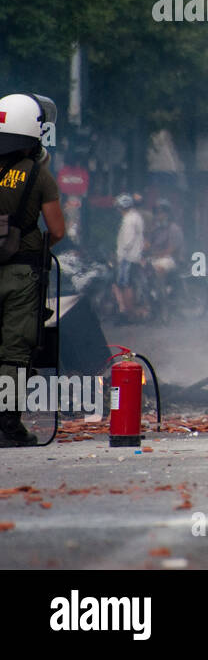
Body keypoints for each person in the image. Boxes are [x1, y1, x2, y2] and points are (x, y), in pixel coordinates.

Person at [0, 94, 65, 446]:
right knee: (14, 351)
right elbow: (56, 231)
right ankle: (7, 425)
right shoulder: (38, 176)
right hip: (21, 275)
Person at [112, 193, 145, 321]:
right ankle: (130, 312)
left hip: (127, 258)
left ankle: (130, 315)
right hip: (134, 256)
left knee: (126, 285)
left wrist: (119, 255)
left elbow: (127, 241)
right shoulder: (136, 217)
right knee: (128, 284)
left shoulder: (128, 220)